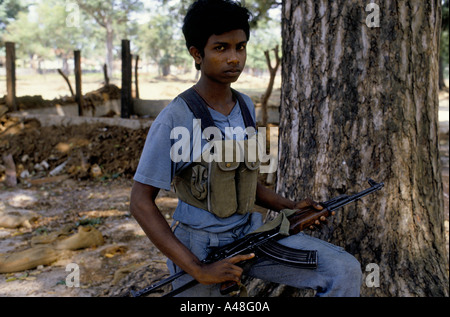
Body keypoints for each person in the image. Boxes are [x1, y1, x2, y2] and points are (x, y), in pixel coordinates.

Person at [130, 0, 362, 297]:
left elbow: (244, 183)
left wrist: (289, 207)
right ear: (196, 54)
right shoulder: (176, 117)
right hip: (202, 249)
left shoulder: (244, 105)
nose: (233, 58)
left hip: (252, 236)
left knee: (343, 269)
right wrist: (198, 268)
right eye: (221, 48)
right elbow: (140, 202)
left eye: (240, 47)